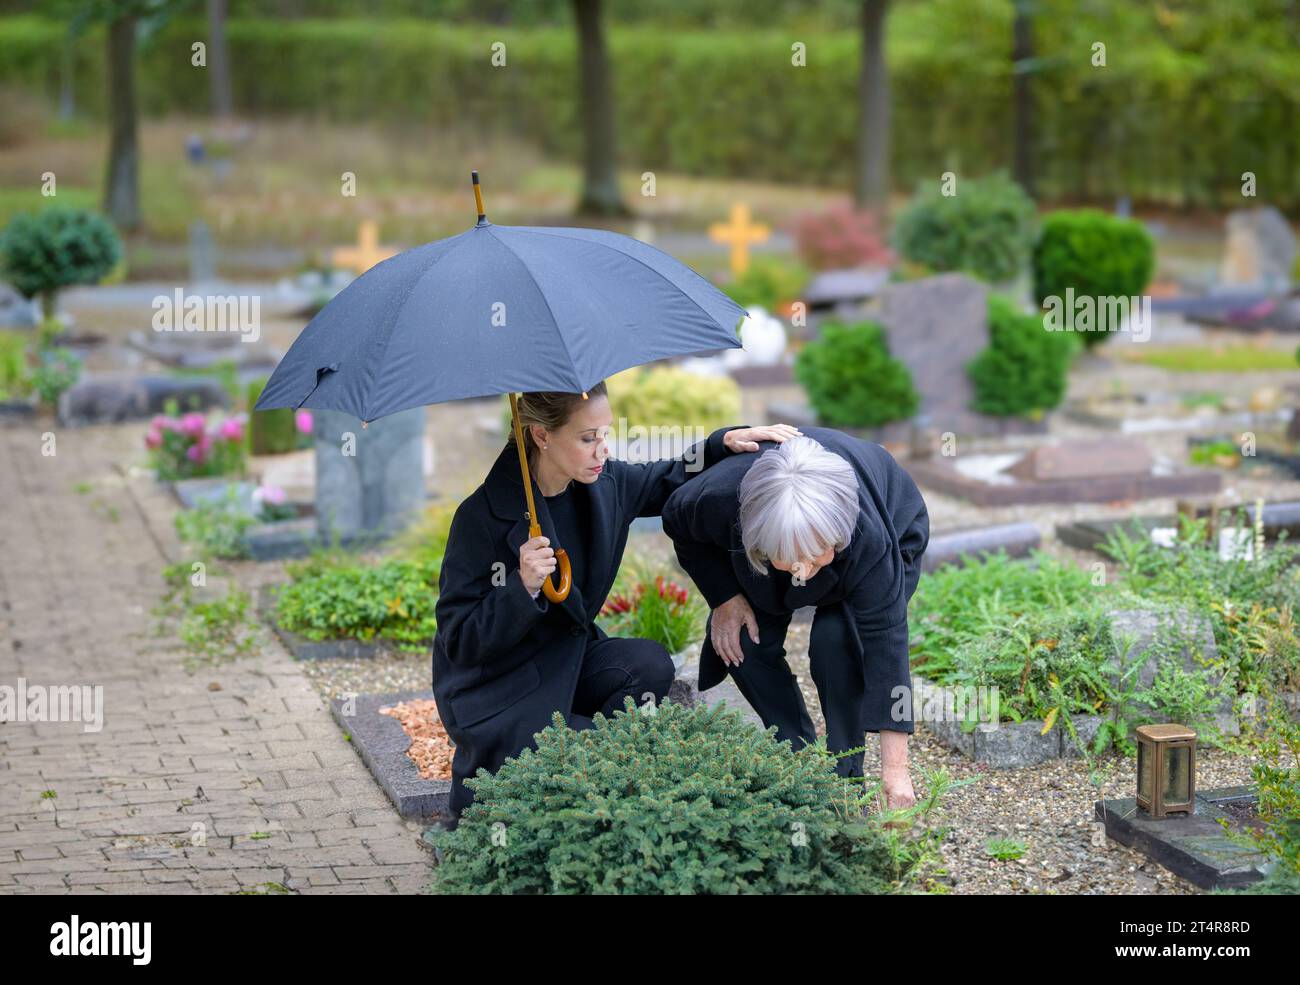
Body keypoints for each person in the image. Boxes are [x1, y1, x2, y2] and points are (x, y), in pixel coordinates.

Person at [430, 379, 799, 823]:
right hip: (501, 686)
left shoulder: (602, 485)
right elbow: (460, 641)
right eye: (588, 439)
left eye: (605, 434)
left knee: (649, 664)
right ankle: (544, 764)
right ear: (541, 436)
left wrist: (723, 442)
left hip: (567, 662)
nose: (602, 449)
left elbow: (668, 476)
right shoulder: (481, 518)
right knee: (578, 751)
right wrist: (521, 588)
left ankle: (577, 756)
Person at [660, 428, 929, 811]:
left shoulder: (867, 536)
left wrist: (896, 771)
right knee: (742, 643)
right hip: (771, 538)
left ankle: (845, 780)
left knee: (836, 640)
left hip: (886, 522)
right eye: (793, 558)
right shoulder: (716, 499)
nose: (805, 569)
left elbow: (886, 644)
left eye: (816, 555)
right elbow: (679, 526)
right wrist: (724, 596)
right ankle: (799, 761)